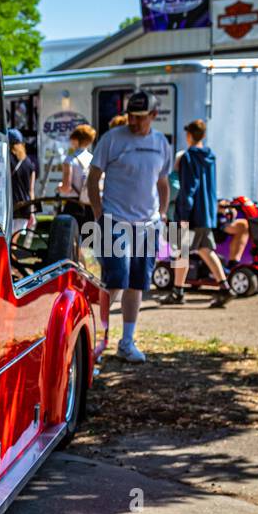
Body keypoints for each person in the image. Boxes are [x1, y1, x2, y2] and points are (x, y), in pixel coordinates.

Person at [86, 90, 171, 363]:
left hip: (147, 225)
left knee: (137, 282)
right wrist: (99, 213)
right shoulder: (112, 139)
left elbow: (163, 182)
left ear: (154, 116)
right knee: (115, 279)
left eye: (139, 118)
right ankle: (93, 342)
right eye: (131, 116)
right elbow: (93, 177)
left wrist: (162, 213)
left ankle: (127, 342)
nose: (132, 122)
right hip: (114, 221)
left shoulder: (161, 144)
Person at [161, 119, 233, 308]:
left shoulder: (188, 157)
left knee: (181, 251)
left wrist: (183, 214)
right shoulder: (211, 156)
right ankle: (224, 287)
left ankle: (178, 292)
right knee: (205, 250)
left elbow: (188, 188)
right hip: (206, 211)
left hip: (189, 212)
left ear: (189, 135)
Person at [57, 124, 96, 222]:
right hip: (89, 205)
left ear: (75, 140)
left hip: (73, 205)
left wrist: (58, 188)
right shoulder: (93, 159)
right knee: (89, 237)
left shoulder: (70, 159)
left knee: (70, 235)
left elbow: (66, 187)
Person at [8, 128, 37, 243]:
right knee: (13, 243)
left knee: (6, 243)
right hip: (23, 206)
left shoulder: (5, 159)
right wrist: (31, 211)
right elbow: (31, 190)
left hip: (9, 205)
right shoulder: (29, 163)